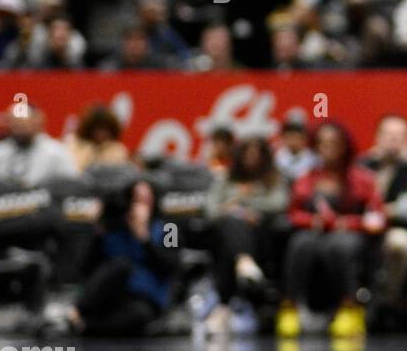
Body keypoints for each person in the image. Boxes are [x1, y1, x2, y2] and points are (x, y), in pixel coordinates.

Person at [278, 121, 385, 338]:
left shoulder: (362, 178)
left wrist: (351, 223)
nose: (328, 148)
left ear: (345, 146)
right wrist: (312, 221)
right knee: (300, 243)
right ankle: (290, 305)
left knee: (340, 246)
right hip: (317, 233)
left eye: (334, 143)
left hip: (352, 235)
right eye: (322, 143)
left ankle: (349, 307)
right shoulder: (307, 178)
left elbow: (377, 216)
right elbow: (293, 213)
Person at [48, 179, 177, 337]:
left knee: (138, 316)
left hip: (144, 296)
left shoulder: (170, 228)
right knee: (121, 265)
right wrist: (97, 230)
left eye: (144, 200)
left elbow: (171, 266)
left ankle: (83, 327)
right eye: (135, 200)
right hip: (110, 294)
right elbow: (86, 268)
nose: (138, 206)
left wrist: (144, 238)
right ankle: (75, 313)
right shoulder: (114, 228)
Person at [205, 136, 289, 333]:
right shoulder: (226, 179)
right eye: (247, 153)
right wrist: (234, 206)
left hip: (263, 236)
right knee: (231, 226)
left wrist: (250, 207)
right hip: (227, 233)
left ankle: (223, 306)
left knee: (233, 232)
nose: (252, 157)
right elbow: (210, 210)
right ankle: (244, 261)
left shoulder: (273, 178)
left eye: (256, 153)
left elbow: (279, 203)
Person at [358, 114, 407, 322]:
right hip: (359, 228)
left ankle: (387, 302)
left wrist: (385, 211)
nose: (394, 140)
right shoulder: (362, 165)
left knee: (400, 243)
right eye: (389, 135)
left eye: (400, 136)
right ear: (378, 137)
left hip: (396, 229)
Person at [0, 104, 79, 185]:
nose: (19, 127)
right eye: (14, 122)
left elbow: (70, 184)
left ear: (38, 121)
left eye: (23, 122)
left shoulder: (56, 152)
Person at [65, 105, 129, 171]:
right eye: (98, 129)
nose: (102, 133)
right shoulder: (74, 144)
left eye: (106, 129)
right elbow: (74, 168)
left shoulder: (118, 150)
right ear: (89, 129)